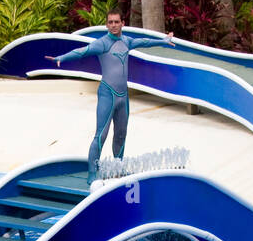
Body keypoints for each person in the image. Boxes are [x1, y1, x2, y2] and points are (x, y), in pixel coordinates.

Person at [47, 15, 176, 182]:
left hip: (124, 96)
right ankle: (92, 174)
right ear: (106, 25)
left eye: (117, 22)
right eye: (110, 22)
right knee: (101, 135)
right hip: (108, 94)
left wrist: (164, 41)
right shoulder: (102, 43)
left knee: (121, 135)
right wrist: (62, 58)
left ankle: (118, 169)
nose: (114, 25)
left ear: (122, 23)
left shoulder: (127, 41)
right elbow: (83, 51)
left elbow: (144, 42)